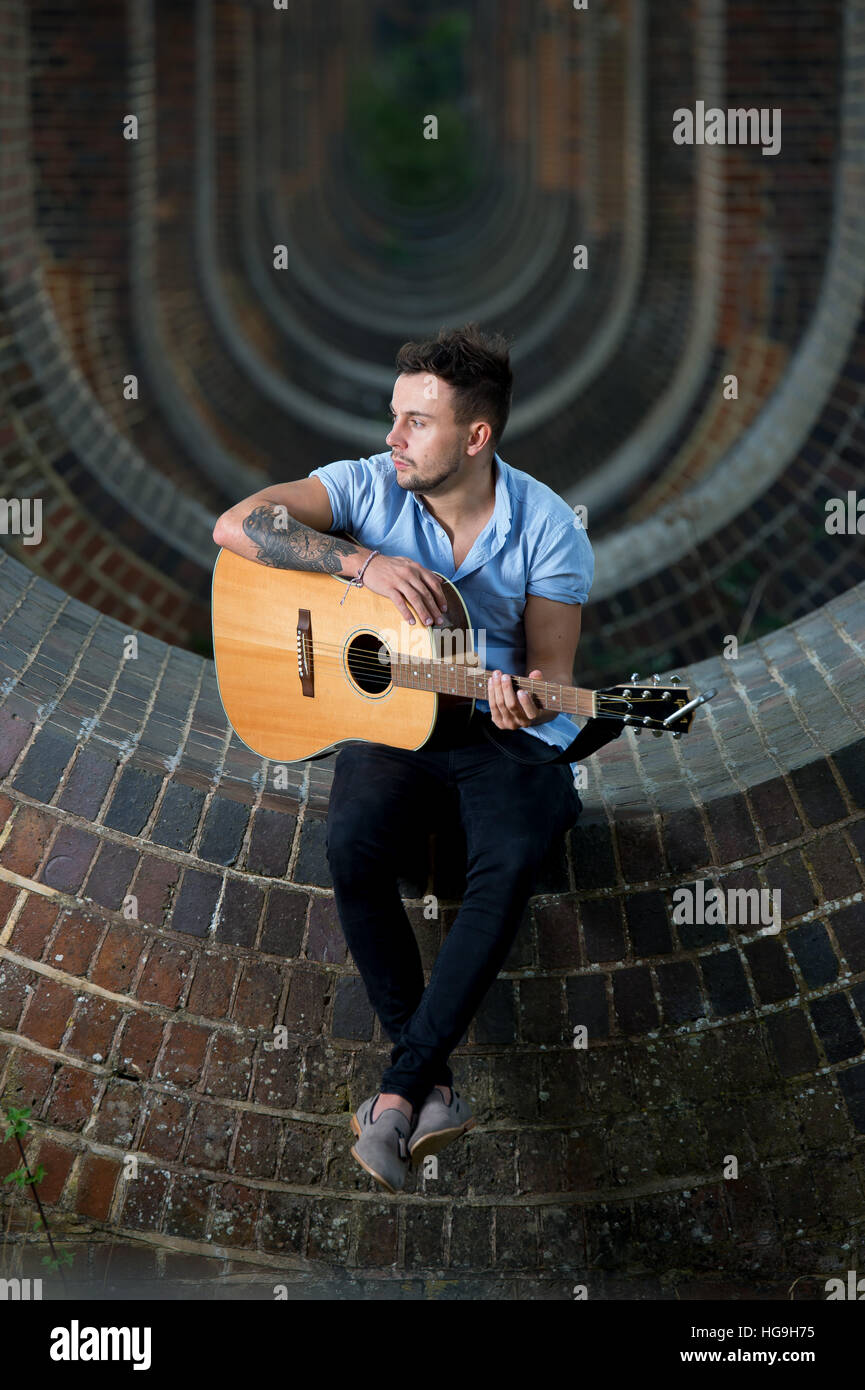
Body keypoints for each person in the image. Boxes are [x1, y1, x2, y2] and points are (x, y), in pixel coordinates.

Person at [212, 323, 593, 1194]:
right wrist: (361, 562)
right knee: (352, 845)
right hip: (392, 723)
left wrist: (521, 693)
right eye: (395, 416)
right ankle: (433, 1086)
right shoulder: (361, 487)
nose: (394, 439)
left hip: (498, 728)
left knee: (516, 853)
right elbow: (237, 526)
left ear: (476, 435)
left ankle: (400, 1090)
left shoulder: (546, 528)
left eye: (417, 423)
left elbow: (555, 678)